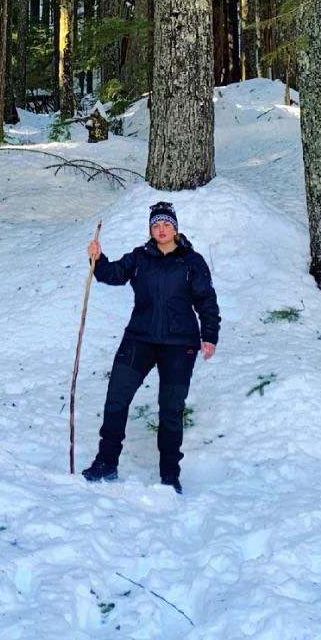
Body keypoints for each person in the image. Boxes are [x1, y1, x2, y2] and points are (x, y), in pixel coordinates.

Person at [82, 200, 221, 493]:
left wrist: (209, 334)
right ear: (150, 229)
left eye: (166, 224)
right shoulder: (139, 257)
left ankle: (170, 476)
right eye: (156, 225)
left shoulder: (192, 262)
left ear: (175, 228)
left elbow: (206, 301)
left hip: (179, 345)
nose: (161, 229)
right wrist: (98, 258)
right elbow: (113, 274)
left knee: (170, 409)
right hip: (140, 338)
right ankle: (106, 463)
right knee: (116, 398)